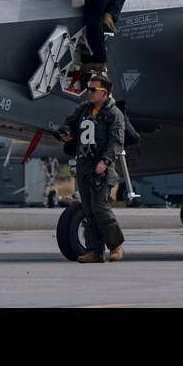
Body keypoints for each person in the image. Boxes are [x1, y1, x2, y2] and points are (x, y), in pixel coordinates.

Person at [59, 74, 126, 262]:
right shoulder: (84, 109)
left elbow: (116, 142)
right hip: (84, 165)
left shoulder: (114, 114)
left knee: (100, 208)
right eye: (88, 89)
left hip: (102, 167)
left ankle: (116, 245)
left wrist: (104, 161)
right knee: (88, 211)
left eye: (93, 90)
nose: (89, 93)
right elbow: (70, 122)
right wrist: (65, 132)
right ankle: (94, 251)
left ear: (104, 93)